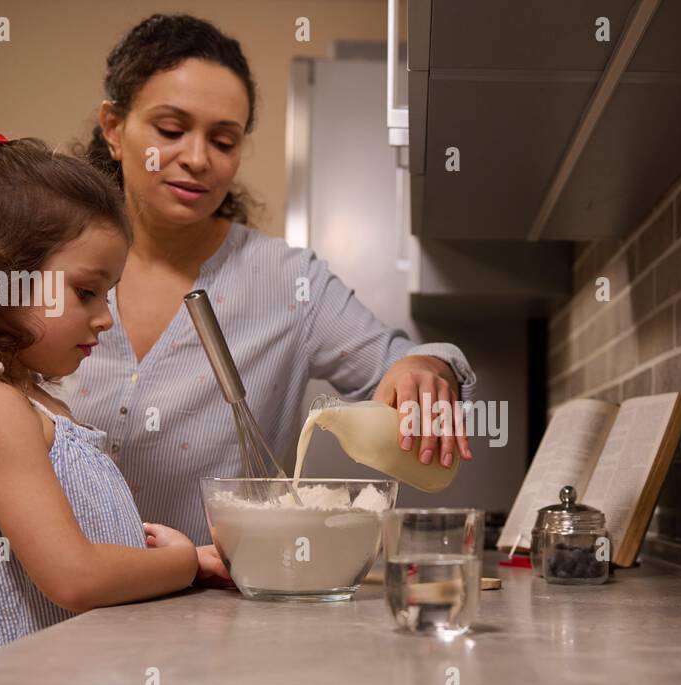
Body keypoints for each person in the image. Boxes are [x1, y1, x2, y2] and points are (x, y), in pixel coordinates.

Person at [73, 13, 477, 545]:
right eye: (170, 131)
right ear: (113, 128)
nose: (196, 158)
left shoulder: (289, 283)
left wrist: (427, 368)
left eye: (224, 141)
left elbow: (401, 365)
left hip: (213, 594)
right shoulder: (51, 264)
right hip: (49, 594)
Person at [0, 135, 228, 680]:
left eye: (108, 294)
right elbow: (74, 577)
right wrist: (181, 561)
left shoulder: (34, 405)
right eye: (86, 292)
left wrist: (176, 559)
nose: (106, 317)